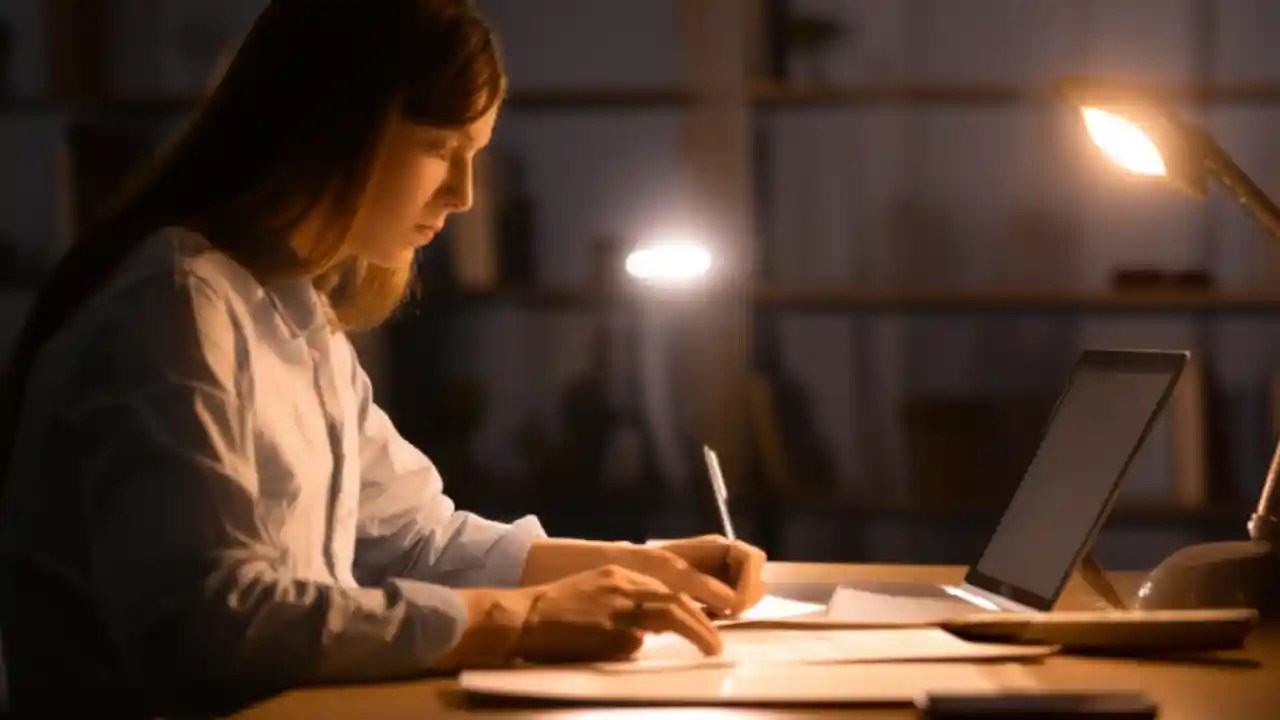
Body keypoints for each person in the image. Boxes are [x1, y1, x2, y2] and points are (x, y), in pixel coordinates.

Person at [0, 0, 766, 715]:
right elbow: (208, 624)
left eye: (476, 154)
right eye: (440, 148)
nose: (464, 194)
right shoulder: (176, 302)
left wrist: (636, 568)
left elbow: (410, 538)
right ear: (336, 125)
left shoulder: (294, 312)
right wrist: (524, 617)